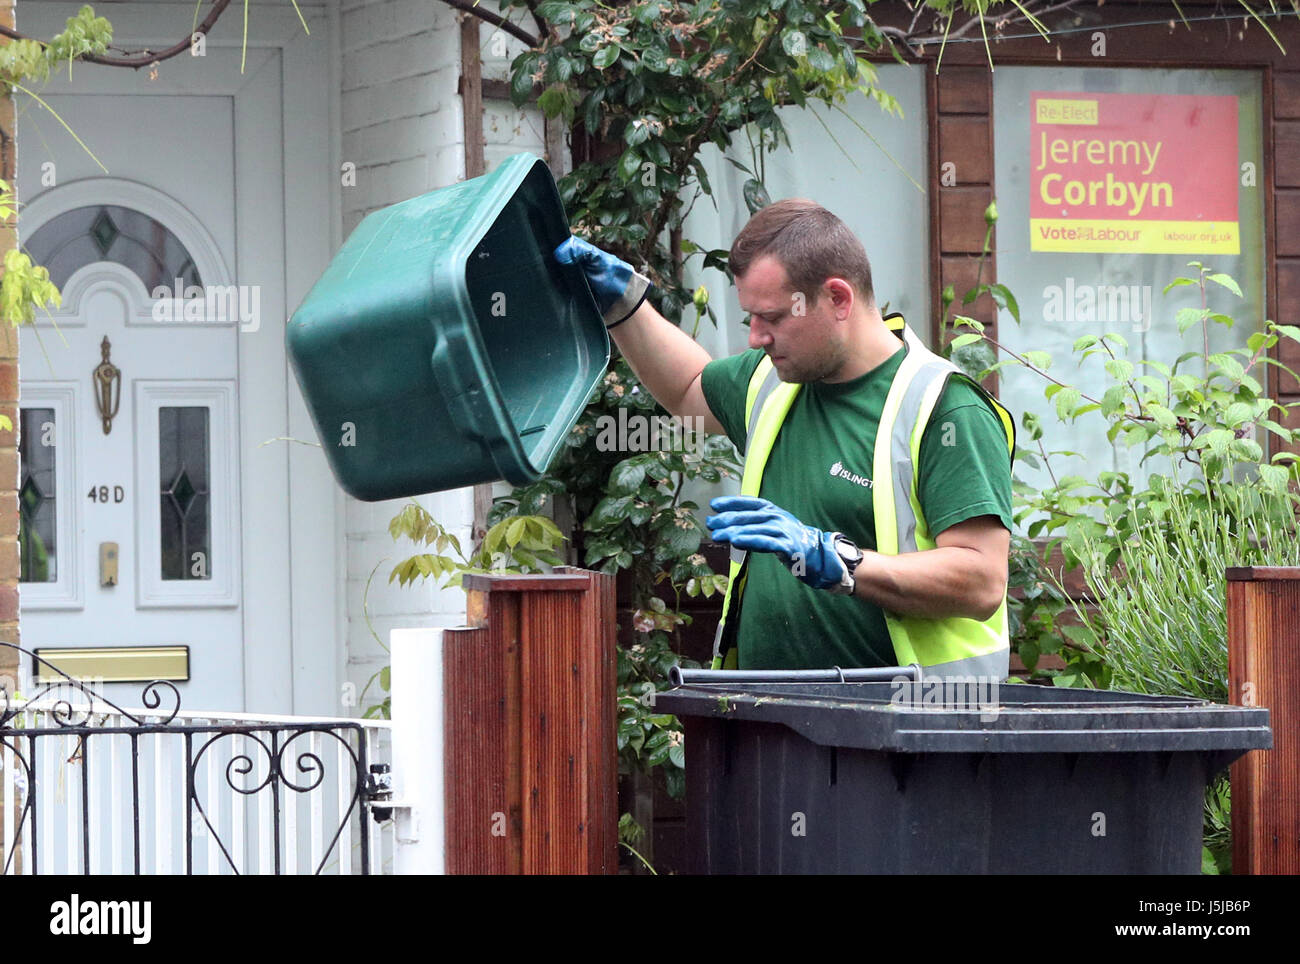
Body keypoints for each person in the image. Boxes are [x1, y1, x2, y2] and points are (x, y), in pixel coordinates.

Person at [555, 199, 1016, 679]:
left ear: (838, 299)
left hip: (907, 734)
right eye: (749, 318)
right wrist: (622, 305)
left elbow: (981, 582)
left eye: (772, 318)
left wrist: (838, 561)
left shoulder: (943, 409)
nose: (756, 338)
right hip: (774, 723)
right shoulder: (770, 382)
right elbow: (689, 389)